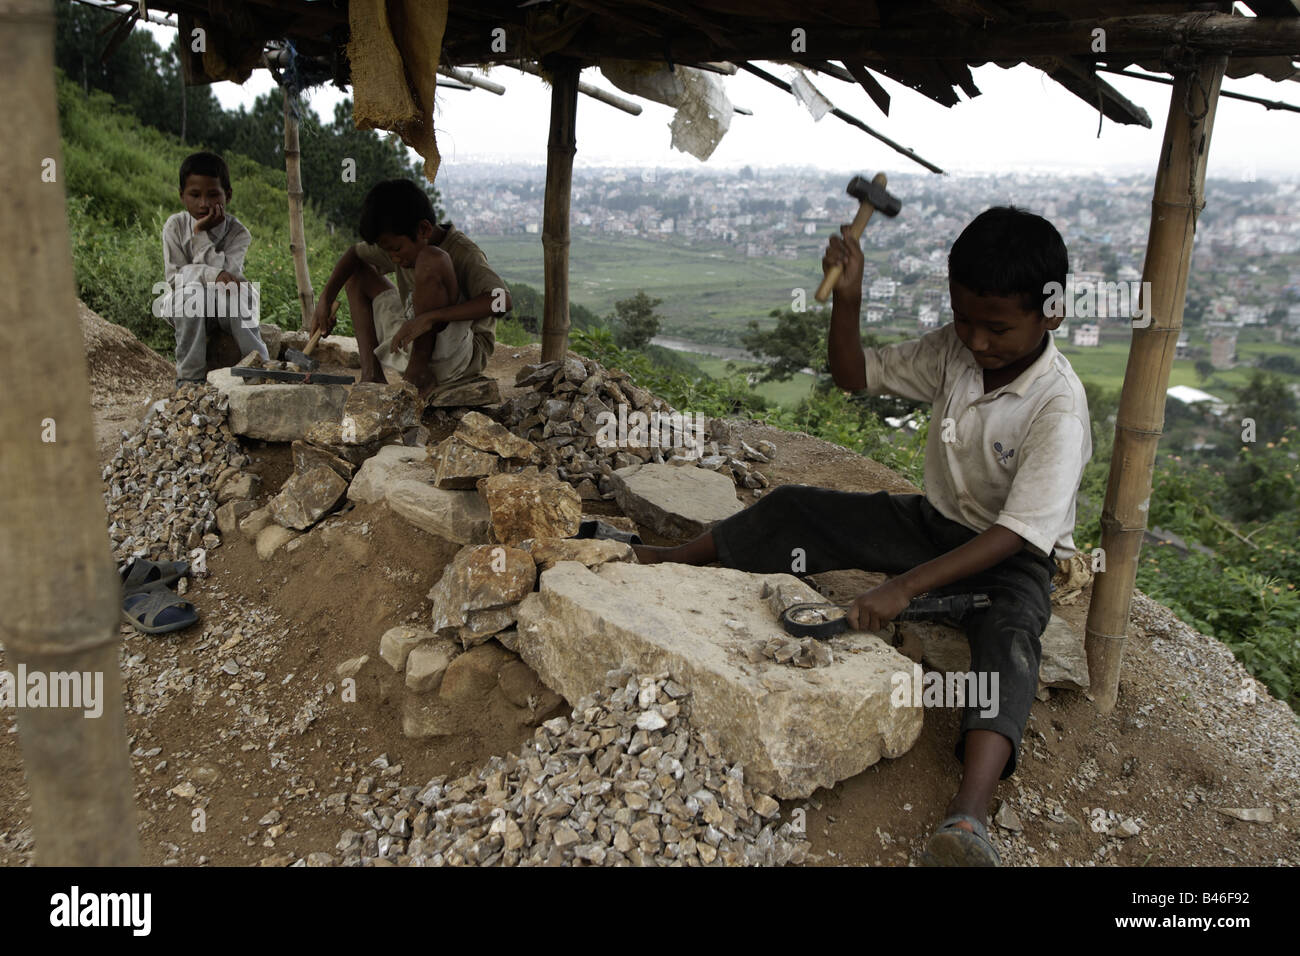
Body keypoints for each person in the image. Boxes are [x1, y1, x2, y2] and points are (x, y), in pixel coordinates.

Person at [633, 206, 1092, 866]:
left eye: (997, 327)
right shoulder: (952, 351)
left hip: (1009, 556)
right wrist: (846, 299)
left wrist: (904, 588)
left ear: (1051, 311)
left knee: (1012, 641)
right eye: (964, 318)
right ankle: (670, 558)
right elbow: (854, 374)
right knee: (795, 507)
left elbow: (1016, 535)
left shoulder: (1058, 406)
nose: (977, 340)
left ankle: (967, 817)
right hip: (932, 527)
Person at [311, 179, 510, 396]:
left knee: (431, 259)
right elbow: (354, 254)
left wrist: (430, 318)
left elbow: (502, 301)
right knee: (357, 273)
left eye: (396, 249)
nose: (394, 259)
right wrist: (325, 299)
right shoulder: (400, 244)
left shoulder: (462, 251)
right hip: (411, 338)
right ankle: (372, 377)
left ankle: (418, 373)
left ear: (423, 229)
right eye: (388, 253)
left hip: (458, 356)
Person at [160, 151, 266, 383]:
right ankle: (190, 380)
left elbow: (231, 275)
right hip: (184, 304)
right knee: (191, 294)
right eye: (195, 195)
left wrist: (199, 237)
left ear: (227, 195)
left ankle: (259, 366)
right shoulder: (175, 227)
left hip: (223, 307)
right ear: (182, 196)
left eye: (213, 194)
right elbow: (175, 279)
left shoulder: (238, 233)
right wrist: (214, 274)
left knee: (238, 291)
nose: (204, 203)